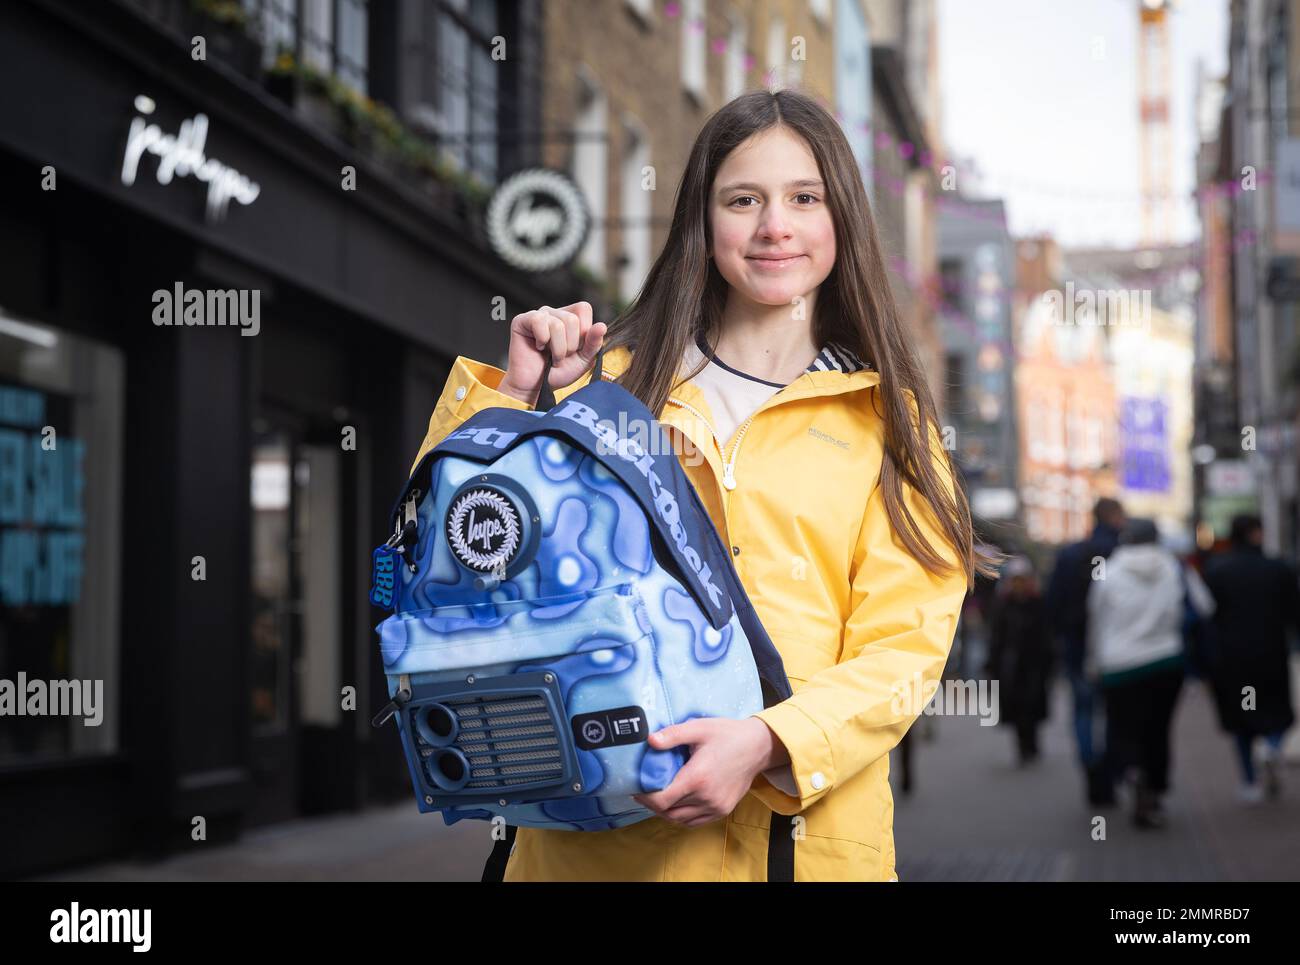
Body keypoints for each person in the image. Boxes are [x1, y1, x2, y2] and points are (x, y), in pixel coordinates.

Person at [407, 89, 1002, 880]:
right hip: (596, 848)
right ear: (702, 219)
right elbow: (449, 567)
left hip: (797, 851)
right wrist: (514, 401)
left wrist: (765, 744)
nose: (774, 227)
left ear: (843, 221)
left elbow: (903, 650)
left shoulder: (890, 421)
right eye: (743, 199)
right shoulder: (604, 386)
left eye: (805, 198)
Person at [1086, 518, 1214, 829]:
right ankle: (1155, 791)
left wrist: (1093, 662)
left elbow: (1096, 618)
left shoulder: (1108, 572)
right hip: (1165, 661)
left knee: (1123, 727)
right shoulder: (1175, 568)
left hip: (1119, 666)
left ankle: (1132, 771)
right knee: (1158, 729)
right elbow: (1205, 607)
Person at [1201, 514, 1300, 803]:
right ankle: (1271, 746)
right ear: (1256, 534)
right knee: (1278, 713)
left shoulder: (1217, 570)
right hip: (1270, 655)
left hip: (1233, 660)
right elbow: (1294, 613)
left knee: (1242, 719)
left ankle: (1249, 781)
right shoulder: (1277, 569)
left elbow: (1207, 617)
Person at [1045, 498, 1126, 805]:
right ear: (1116, 517)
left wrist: (1060, 638)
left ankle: (1090, 765)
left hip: (1077, 646)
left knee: (1082, 710)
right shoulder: (1121, 554)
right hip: (1116, 649)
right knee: (1114, 713)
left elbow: (1052, 603)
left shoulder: (1069, 554)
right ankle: (1110, 771)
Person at [984, 555, 1053, 765]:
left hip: (1034, 665)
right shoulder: (1003, 605)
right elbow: (996, 637)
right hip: (1011, 666)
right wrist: (992, 664)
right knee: (1016, 706)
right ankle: (1022, 745)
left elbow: (1046, 636)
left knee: (1032, 705)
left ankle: (1032, 742)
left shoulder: (1038, 603)